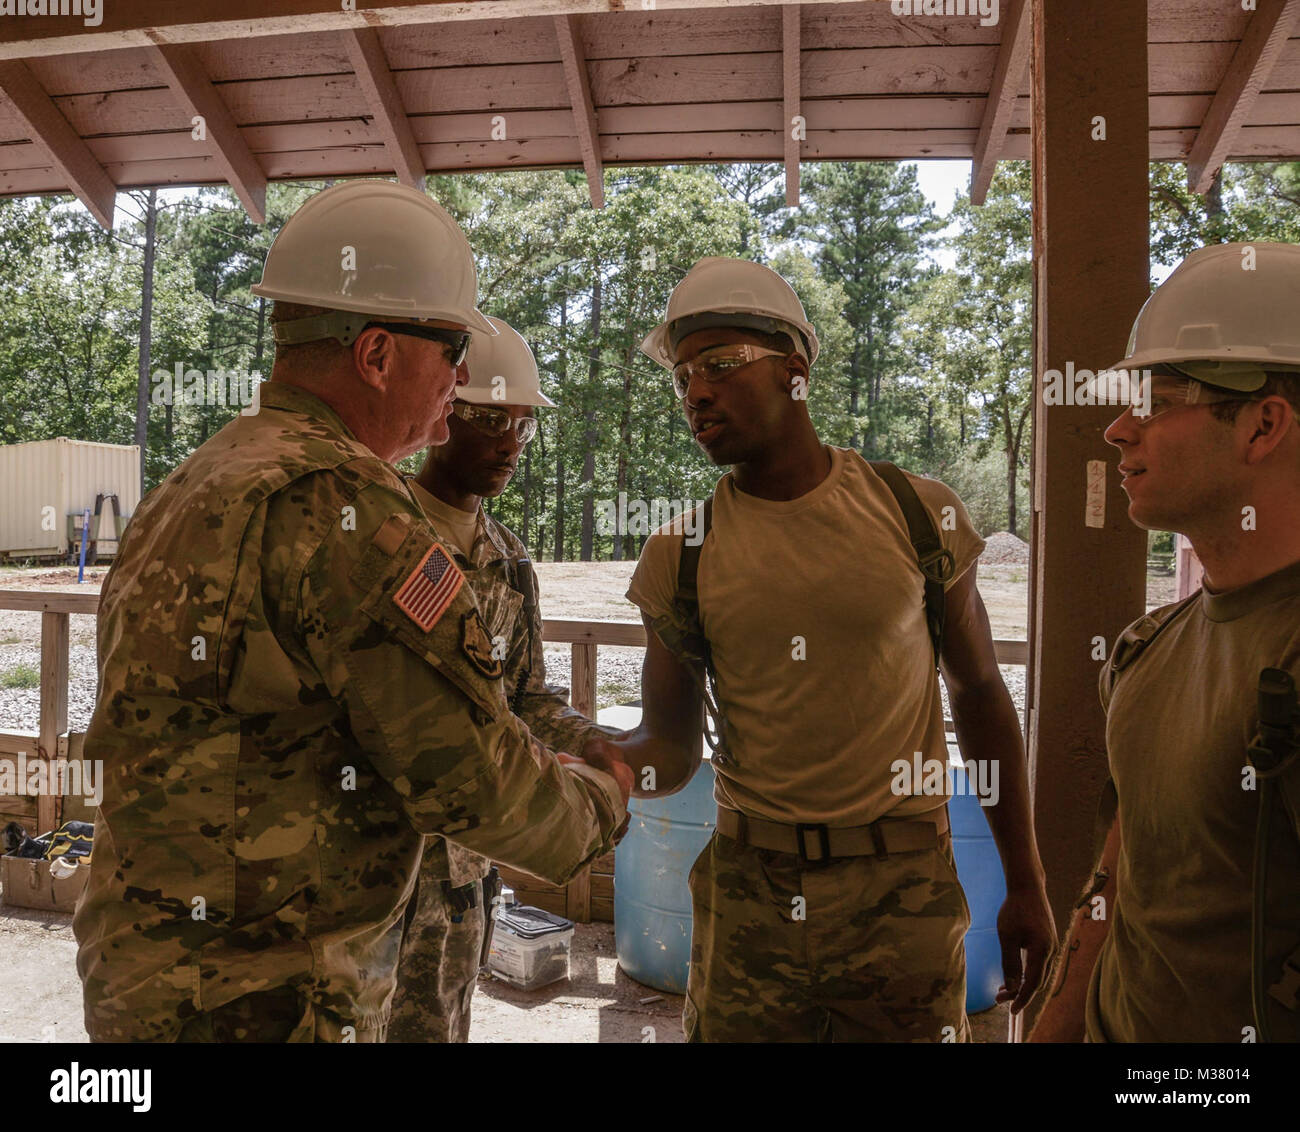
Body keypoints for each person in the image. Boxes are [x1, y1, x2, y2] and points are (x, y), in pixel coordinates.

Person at [72, 181, 631, 1043]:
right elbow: (472, 778)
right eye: (451, 347)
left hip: (146, 976)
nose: (458, 377)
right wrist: (604, 800)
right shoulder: (342, 504)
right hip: (272, 1000)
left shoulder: (198, 477)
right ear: (375, 354)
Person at [609, 256, 1055, 1042]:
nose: (696, 393)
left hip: (903, 891)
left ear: (795, 371)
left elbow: (980, 692)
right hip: (752, 895)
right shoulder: (680, 552)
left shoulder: (917, 514)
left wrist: (1026, 879)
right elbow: (669, 753)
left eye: (719, 364)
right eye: (682, 378)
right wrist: (564, 754)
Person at [1031, 242, 1300, 1043]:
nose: (1117, 429)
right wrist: (1055, 1028)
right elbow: (1119, 876)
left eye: (1157, 400)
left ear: (1263, 424)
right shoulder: (1148, 650)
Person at [388, 316, 619, 1042]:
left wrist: (601, 744)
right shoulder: (375, 527)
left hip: (463, 870)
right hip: (376, 862)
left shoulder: (508, 560)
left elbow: (523, 696)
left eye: (522, 424)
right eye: (490, 418)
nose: (510, 441)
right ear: (442, 409)